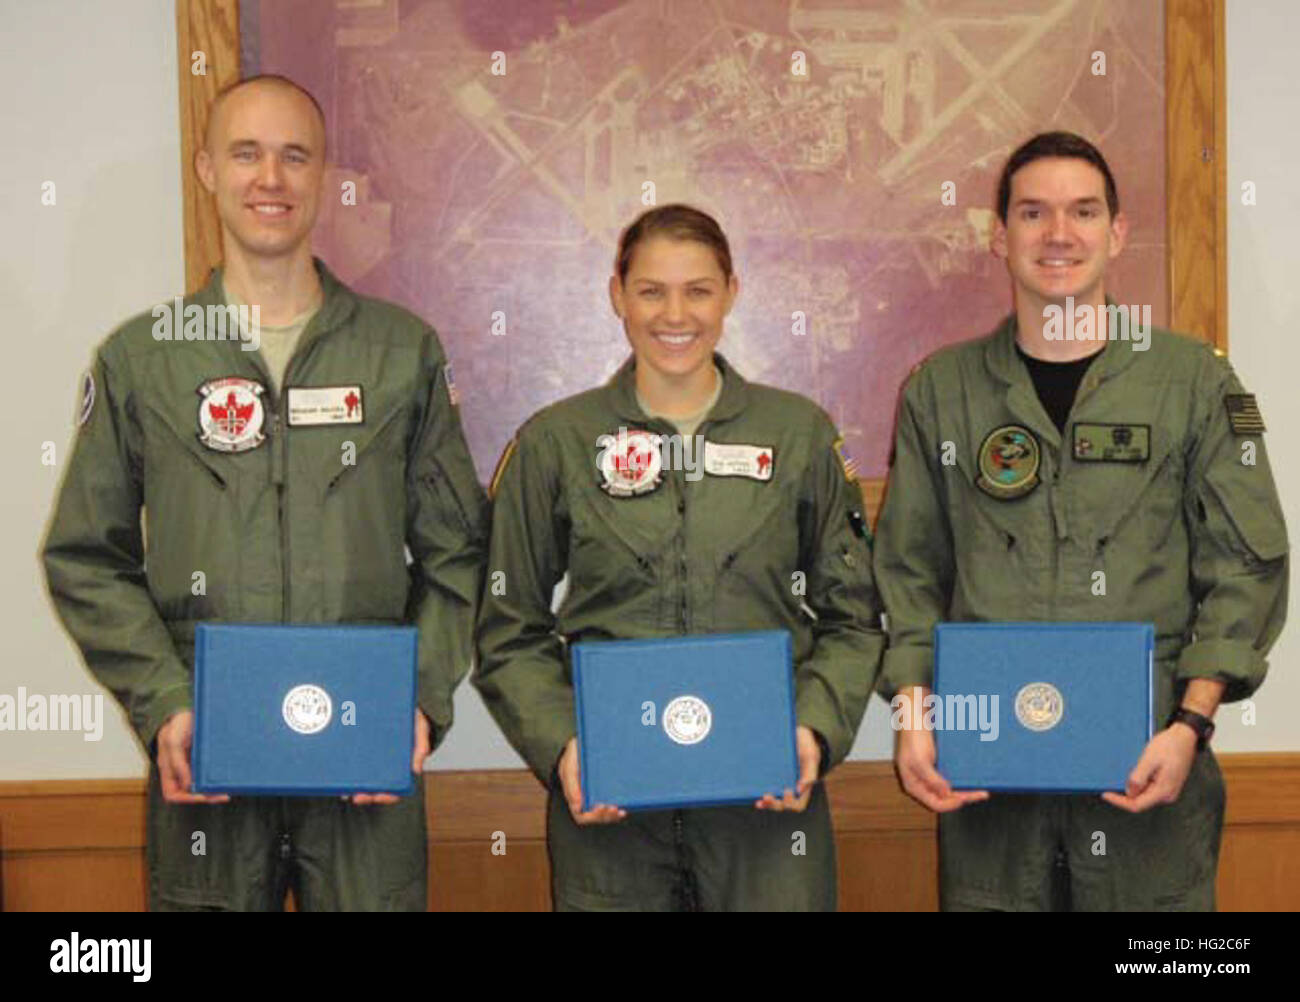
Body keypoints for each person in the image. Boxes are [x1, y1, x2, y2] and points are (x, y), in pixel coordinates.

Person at [42, 75, 487, 911]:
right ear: (207, 168)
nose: (270, 179)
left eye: (294, 156)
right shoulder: (145, 359)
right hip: (206, 760)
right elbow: (84, 558)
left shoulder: (401, 353)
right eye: (246, 153)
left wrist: (416, 703)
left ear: (323, 176)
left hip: (366, 765)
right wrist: (167, 703)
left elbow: (461, 553)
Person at [873, 131, 1288, 911]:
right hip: (988, 785)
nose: (1058, 234)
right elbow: (906, 574)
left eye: (1083, 212)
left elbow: (1246, 565)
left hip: (1150, 773)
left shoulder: (1195, 381)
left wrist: (1190, 725)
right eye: (1033, 213)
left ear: (1117, 233)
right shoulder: (941, 392)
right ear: (1001, 237)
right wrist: (913, 718)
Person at [474, 203, 884, 911]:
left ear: (731, 292)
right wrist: (566, 745)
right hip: (609, 806)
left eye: (698, 289)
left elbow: (857, 617)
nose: (676, 314)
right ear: (617, 296)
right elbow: (508, 628)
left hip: (766, 802)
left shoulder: (798, 435)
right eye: (651, 290)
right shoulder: (556, 443)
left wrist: (812, 728)